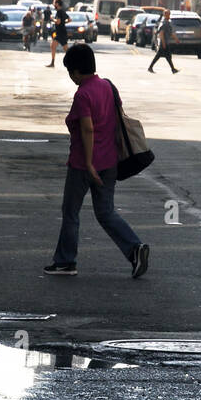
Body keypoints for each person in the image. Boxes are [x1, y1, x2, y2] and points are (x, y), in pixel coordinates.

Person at [44, 43, 149, 280]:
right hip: (110, 161)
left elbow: (87, 129)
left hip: (83, 164)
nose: (71, 77)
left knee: (71, 212)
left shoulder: (83, 94)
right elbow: (116, 117)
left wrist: (89, 164)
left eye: (71, 71)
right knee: (106, 212)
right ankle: (135, 249)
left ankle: (65, 261)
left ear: (77, 71)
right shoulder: (108, 86)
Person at [148, 10, 179, 74]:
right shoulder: (164, 23)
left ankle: (172, 69)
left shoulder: (167, 22)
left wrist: (176, 39)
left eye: (169, 14)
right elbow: (161, 34)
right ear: (165, 15)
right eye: (168, 14)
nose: (169, 15)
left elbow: (170, 33)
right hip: (164, 42)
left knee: (166, 56)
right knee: (164, 56)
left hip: (165, 42)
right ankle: (172, 69)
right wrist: (163, 43)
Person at [47, 0, 69, 68]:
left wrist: (52, 19)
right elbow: (69, 19)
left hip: (61, 33)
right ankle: (52, 63)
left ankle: (74, 62)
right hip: (61, 32)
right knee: (54, 46)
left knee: (65, 49)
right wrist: (63, 22)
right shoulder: (62, 11)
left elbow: (58, 22)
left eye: (54, 3)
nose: (54, 5)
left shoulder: (59, 12)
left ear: (57, 4)